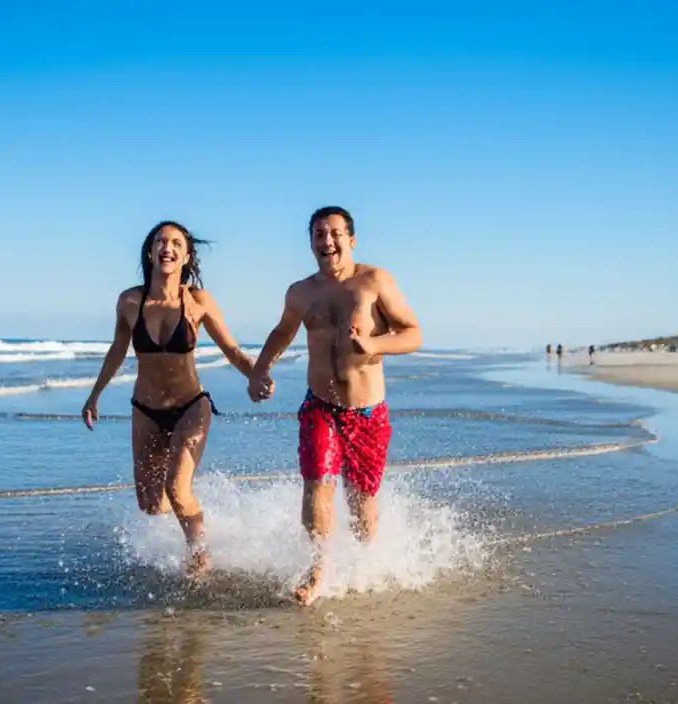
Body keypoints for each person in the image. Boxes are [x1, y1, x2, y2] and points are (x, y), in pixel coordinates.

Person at [248, 206, 422, 604]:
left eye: (335, 233)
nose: (327, 242)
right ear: (310, 242)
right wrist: (260, 370)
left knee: (362, 509)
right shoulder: (300, 292)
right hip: (320, 405)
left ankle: (365, 565)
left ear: (351, 239)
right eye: (319, 235)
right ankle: (317, 572)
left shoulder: (374, 281)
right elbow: (282, 332)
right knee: (316, 486)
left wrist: (374, 344)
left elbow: (413, 333)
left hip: (367, 412)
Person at [81, 221, 255, 578]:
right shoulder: (130, 301)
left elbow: (232, 350)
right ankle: (200, 516)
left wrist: (257, 374)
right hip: (145, 410)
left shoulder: (197, 302)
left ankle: (200, 554)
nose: (168, 247)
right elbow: (117, 351)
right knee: (151, 503)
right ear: (150, 251)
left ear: (186, 255)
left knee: (177, 489)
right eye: (161, 241)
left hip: (191, 405)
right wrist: (94, 394)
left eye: (177, 243)